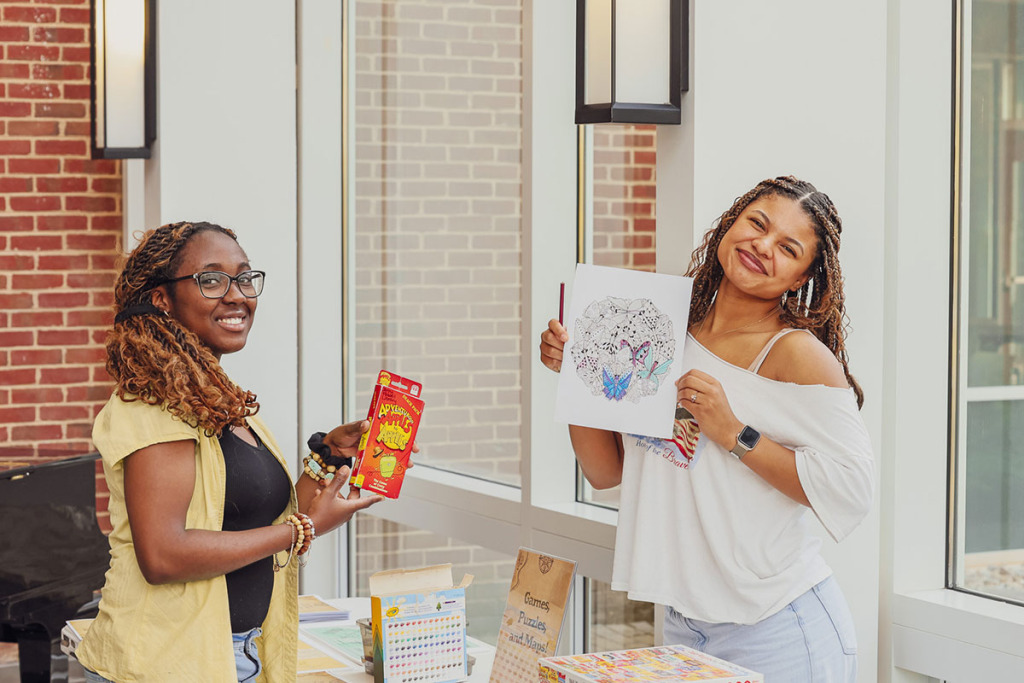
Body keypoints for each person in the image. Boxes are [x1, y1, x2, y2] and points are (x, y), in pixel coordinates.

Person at [539, 176, 873, 681]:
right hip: (683, 624)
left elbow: (852, 490)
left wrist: (734, 432)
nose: (763, 245)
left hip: (778, 629)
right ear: (730, 224)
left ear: (802, 277)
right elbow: (605, 472)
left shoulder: (796, 354)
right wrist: (578, 375)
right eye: (757, 223)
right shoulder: (667, 330)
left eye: (788, 248)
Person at [77, 221, 383, 682]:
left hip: (239, 653)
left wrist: (330, 456)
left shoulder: (216, 398)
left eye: (244, 278)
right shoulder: (152, 406)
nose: (237, 295)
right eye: (212, 279)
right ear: (161, 299)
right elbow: (164, 556)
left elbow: (260, 515)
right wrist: (300, 531)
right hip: (168, 664)